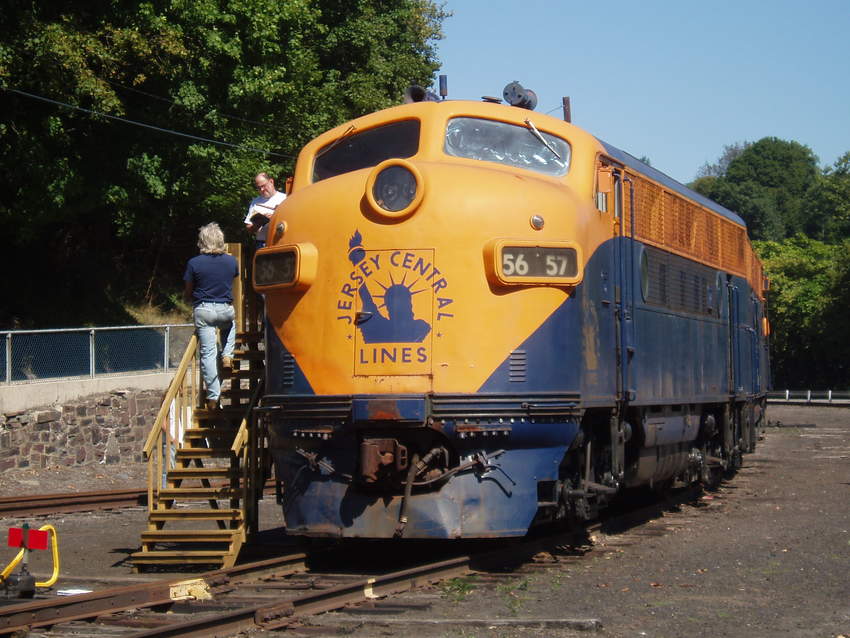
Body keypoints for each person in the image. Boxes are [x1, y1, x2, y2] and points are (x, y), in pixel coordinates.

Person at [183, 222, 239, 411]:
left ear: (202, 241)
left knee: (207, 354)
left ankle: (213, 396)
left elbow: (189, 290)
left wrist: (189, 299)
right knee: (230, 325)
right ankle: (227, 355)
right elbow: (231, 279)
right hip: (224, 308)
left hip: (204, 310)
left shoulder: (194, 263)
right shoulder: (231, 261)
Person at [244, 172, 286, 249]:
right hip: (261, 243)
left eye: (263, 186)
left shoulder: (285, 198)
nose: (262, 189)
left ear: (271, 182)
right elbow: (249, 228)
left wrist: (276, 216)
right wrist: (259, 223)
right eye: (259, 188)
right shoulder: (255, 202)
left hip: (280, 241)